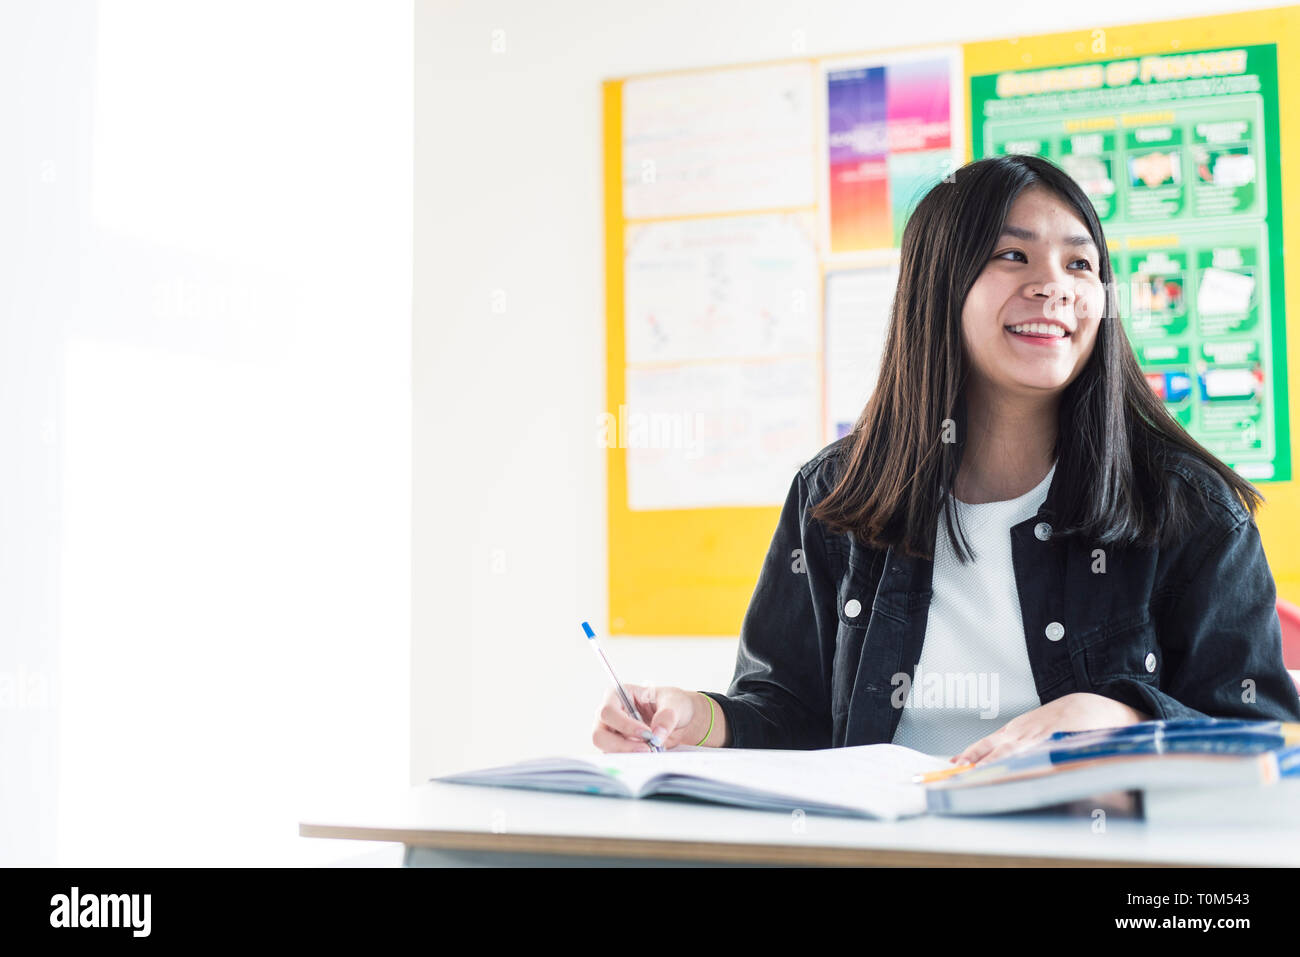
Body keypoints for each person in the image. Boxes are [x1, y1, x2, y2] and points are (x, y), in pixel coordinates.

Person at [592, 154, 1300, 766]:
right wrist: (700, 717)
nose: (1055, 284)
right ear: (938, 287)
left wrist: (1122, 718)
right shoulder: (835, 493)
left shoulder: (1187, 505)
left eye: (1080, 262)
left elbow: (1263, 738)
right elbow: (792, 712)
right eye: (1012, 255)